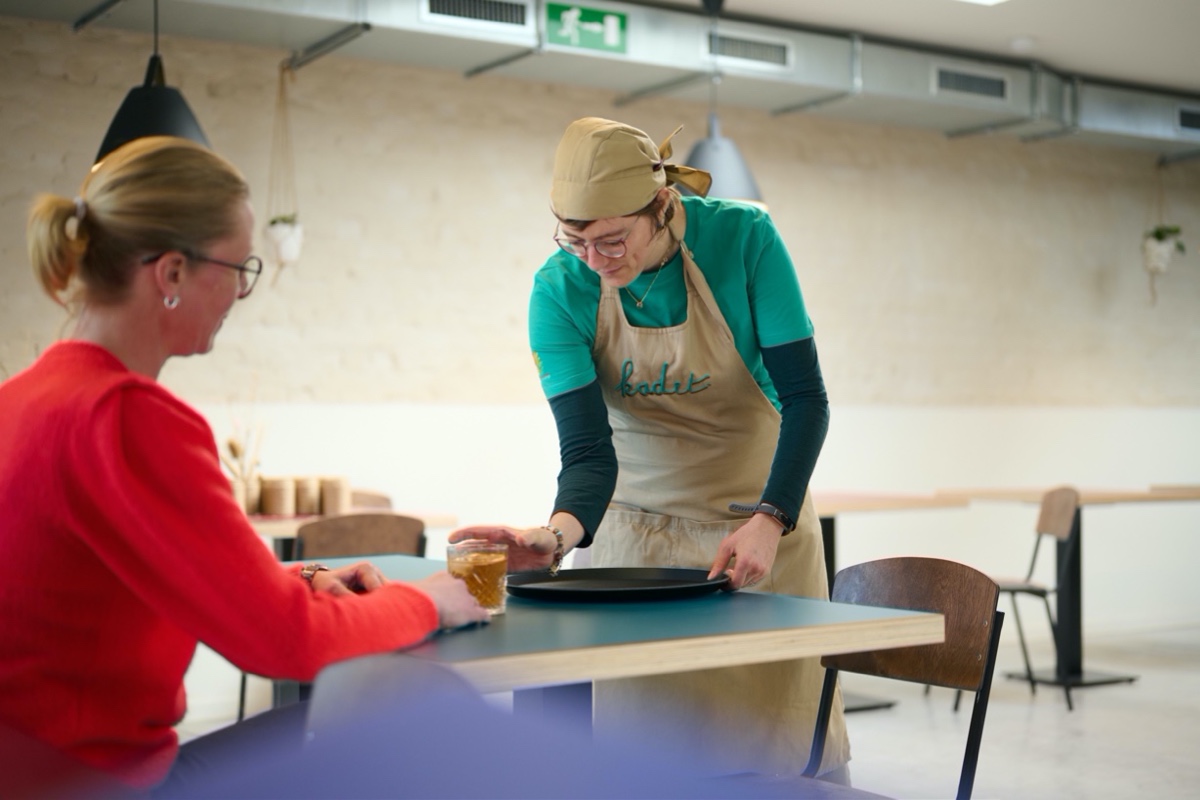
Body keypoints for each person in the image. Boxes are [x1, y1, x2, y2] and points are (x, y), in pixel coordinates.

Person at [0, 136, 490, 796]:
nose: (241, 292)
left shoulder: (23, 399)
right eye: (238, 268)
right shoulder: (127, 417)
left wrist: (290, 577)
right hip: (104, 783)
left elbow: (133, 584)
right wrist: (424, 603)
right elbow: (284, 642)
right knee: (421, 716)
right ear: (171, 273)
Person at [450, 117, 849, 780]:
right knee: (640, 768)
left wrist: (771, 518)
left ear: (662, 206)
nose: (596, 260)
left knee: (776, 762)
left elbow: (807, 399)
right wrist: (555, 536)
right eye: (575, 239)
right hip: (635, 545)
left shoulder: (743, 240)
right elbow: (587, 451)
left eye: (613, 239)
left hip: (754, 538)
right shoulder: (559, 289)